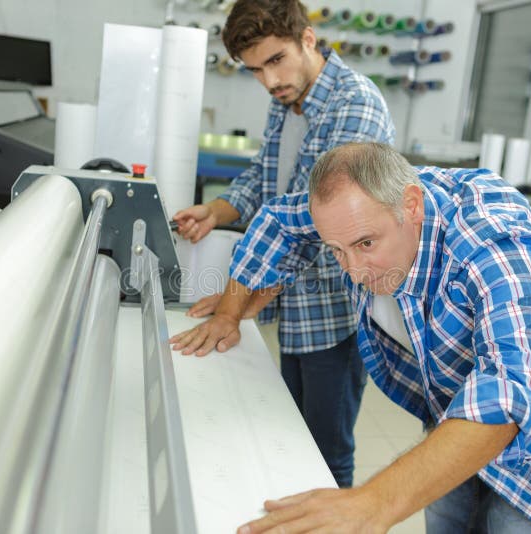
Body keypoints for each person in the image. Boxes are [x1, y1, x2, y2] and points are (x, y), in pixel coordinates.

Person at [172, 142, 531, 534]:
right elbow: (278, 221)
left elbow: (510, 390)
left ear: (412, 206)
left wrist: (373, 503)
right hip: (467, 377)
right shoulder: (360, 209)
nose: (353, 271)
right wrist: (229, 313)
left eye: (366, 245)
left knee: (510, 518)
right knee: (448, 507)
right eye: (336, 251)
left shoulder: (493, 242)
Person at [171, 0, 395, 488]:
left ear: (307, 39)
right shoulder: (287, 100)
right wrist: (218, 210)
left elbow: (314, 223)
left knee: (327, 454)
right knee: (295, 437)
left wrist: (234, 306)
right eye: (255, 70)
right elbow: (264, 175)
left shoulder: (354, 106)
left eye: (276, 60)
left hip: (334, 312)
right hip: (296, 307)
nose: (270, 81)